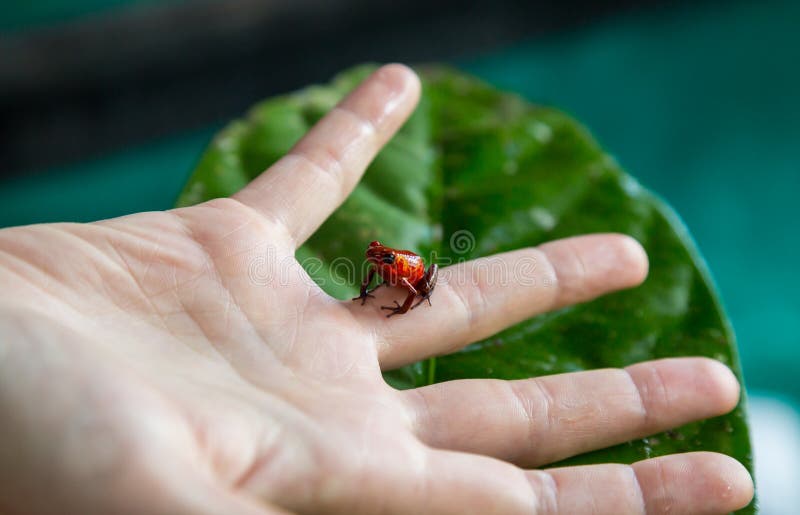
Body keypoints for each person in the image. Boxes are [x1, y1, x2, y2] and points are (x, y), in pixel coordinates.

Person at [0, 64, 753, 514]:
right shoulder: (383, 268)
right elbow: (386, 280)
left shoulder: (401, 273)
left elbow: (409, 284)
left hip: (412, 282)